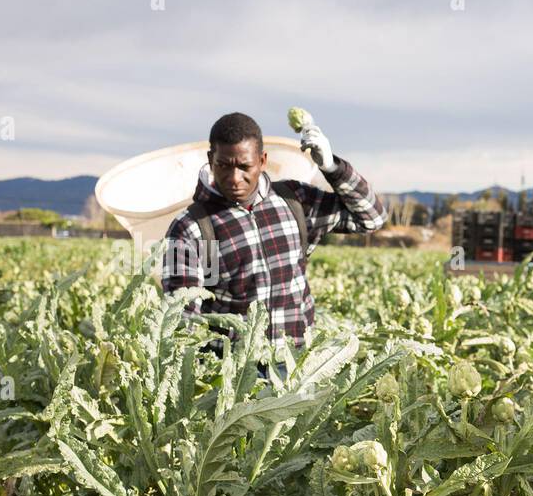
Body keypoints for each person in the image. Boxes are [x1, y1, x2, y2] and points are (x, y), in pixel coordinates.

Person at [162, 112, 387, 376]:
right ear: (211, 160)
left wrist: (333, 168)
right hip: (233, 373)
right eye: (224, 165)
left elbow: (372, 218)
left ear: (262, 161)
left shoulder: (293, 201)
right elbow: (183, 316)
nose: (235, 178)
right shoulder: (192, 227)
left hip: (298, 363)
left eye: (245, 166)